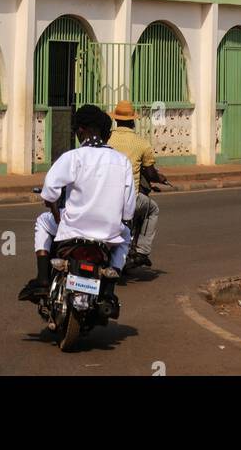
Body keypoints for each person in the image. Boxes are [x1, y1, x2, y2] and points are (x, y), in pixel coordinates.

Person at [18, 104, 135, 302]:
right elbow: (129, 211)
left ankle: (43, 278)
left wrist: (58, 217)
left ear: (81, 130)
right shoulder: (122, 161)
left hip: (74, 230)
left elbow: (49, 193)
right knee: (126, 237)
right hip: (108, 235)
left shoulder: (73, 157)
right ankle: (109, 287)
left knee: (42, 221)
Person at [107, 100, 168, 267]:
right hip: (129, 199)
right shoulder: (142, 144)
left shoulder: (107, 139)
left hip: (105, 196)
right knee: (152, 209)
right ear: (133, 121)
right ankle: (142, 250)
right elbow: (150, 173)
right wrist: (159, 178)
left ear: (116, 120)